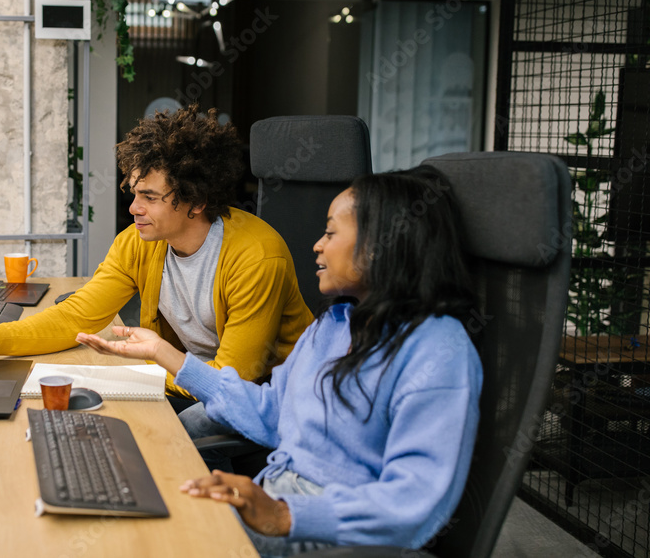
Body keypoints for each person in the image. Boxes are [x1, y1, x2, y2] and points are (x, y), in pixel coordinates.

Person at [76, 166, 483, 554]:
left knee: (153, 539)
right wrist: (169, 357)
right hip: (278, 493)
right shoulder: (336, 324)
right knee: (127, 508)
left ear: (381, 245)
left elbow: (416, 501)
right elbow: (275, 411)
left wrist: (284, 514)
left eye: (330, 232)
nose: (317, 245)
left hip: (337, 532)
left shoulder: (437, 350)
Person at [0, 104, 313, 405]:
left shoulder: (256, 257)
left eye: (149, 197)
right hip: (191, 380)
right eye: (134, 193)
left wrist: (145, 370)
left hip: (267, 397)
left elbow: (234, 383)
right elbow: (77, 315)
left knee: (162, 431)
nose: (133, 208)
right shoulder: (138, 243)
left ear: (195, 201)